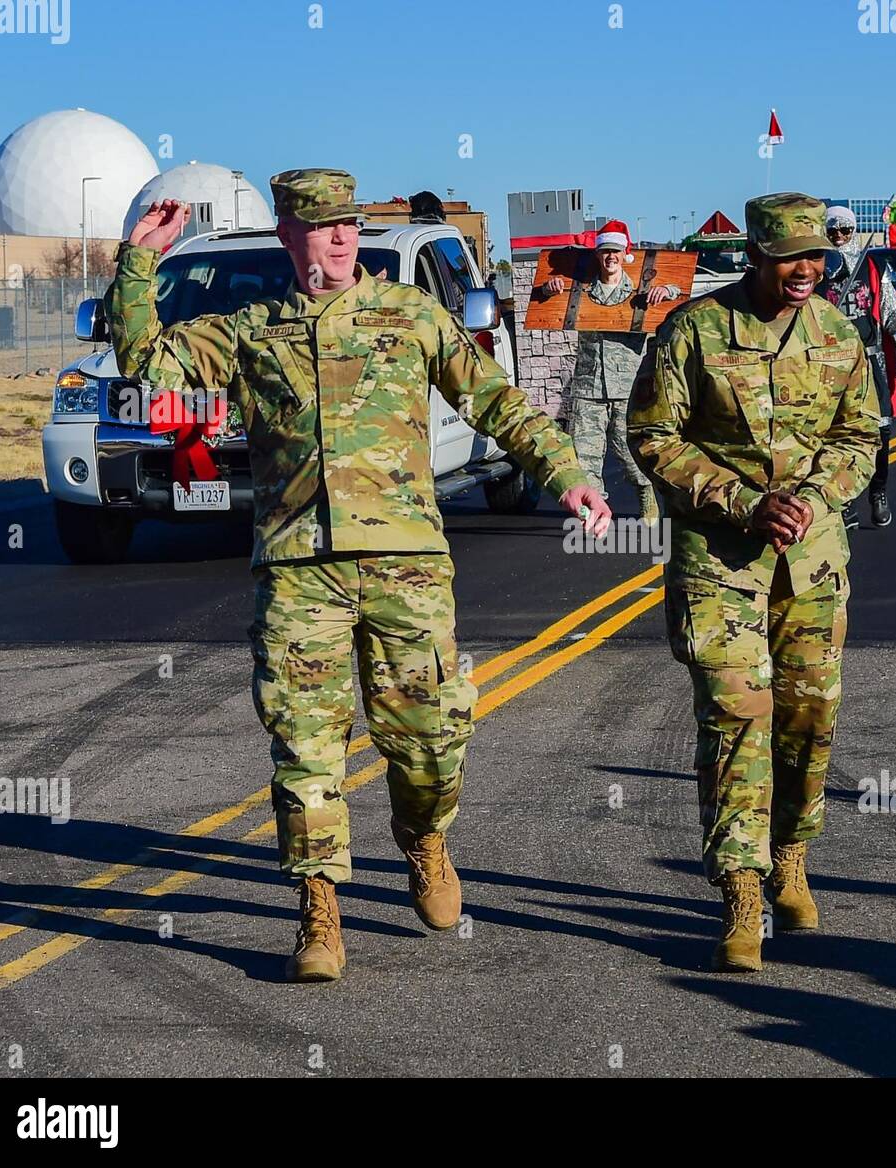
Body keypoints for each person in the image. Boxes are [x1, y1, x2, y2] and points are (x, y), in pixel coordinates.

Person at [109, 172, 611, 983]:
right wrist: (137, 265)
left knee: (429, 741)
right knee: (305, 748)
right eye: (320, 227)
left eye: (347, 224)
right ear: (287, 236)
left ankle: (426, 842)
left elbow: (495, 400)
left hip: (406, 564)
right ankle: (318, 909)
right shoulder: (251, 332)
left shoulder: (410, 315)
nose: (339, 239)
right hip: (298, 572)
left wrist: (565, 472)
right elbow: (147, 363)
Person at [627, 193, 880, 973]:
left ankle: (792, 855)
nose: (806, 271)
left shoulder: (838, 333)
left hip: (811, 558)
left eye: (817, 258)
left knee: (808, 717)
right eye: (790, 259)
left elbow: (861, 434)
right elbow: (651, 435)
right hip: (721, 559)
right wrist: (740, 502)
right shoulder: (694, 332)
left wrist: (812, 498)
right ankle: (740, 891)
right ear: (756, 258)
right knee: (738, 715)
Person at [543, 220, 680, 523]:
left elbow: (679, 288)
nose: (610, 257)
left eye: (615, 251)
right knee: (585, 452)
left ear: (624, 254)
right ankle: (594, 509)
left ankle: (645, 492)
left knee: (628, 451)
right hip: (588, 382)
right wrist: (548, 288)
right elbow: (543, 296)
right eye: (605, 251)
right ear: (597, 255)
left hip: (627, 384)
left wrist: (666, 290)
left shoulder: (640, 288)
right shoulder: (582, 289)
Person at [819, 204, 896, 529]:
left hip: (869, 360)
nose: (840, 237)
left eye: (845, 231)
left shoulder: (872, 266)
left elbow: (892, 315)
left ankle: (878, 491)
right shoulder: (815, 269)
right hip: (830, 365)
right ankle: (845, 500)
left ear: (853, 231)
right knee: (834, 434)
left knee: (881, 431)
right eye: (833, 232)